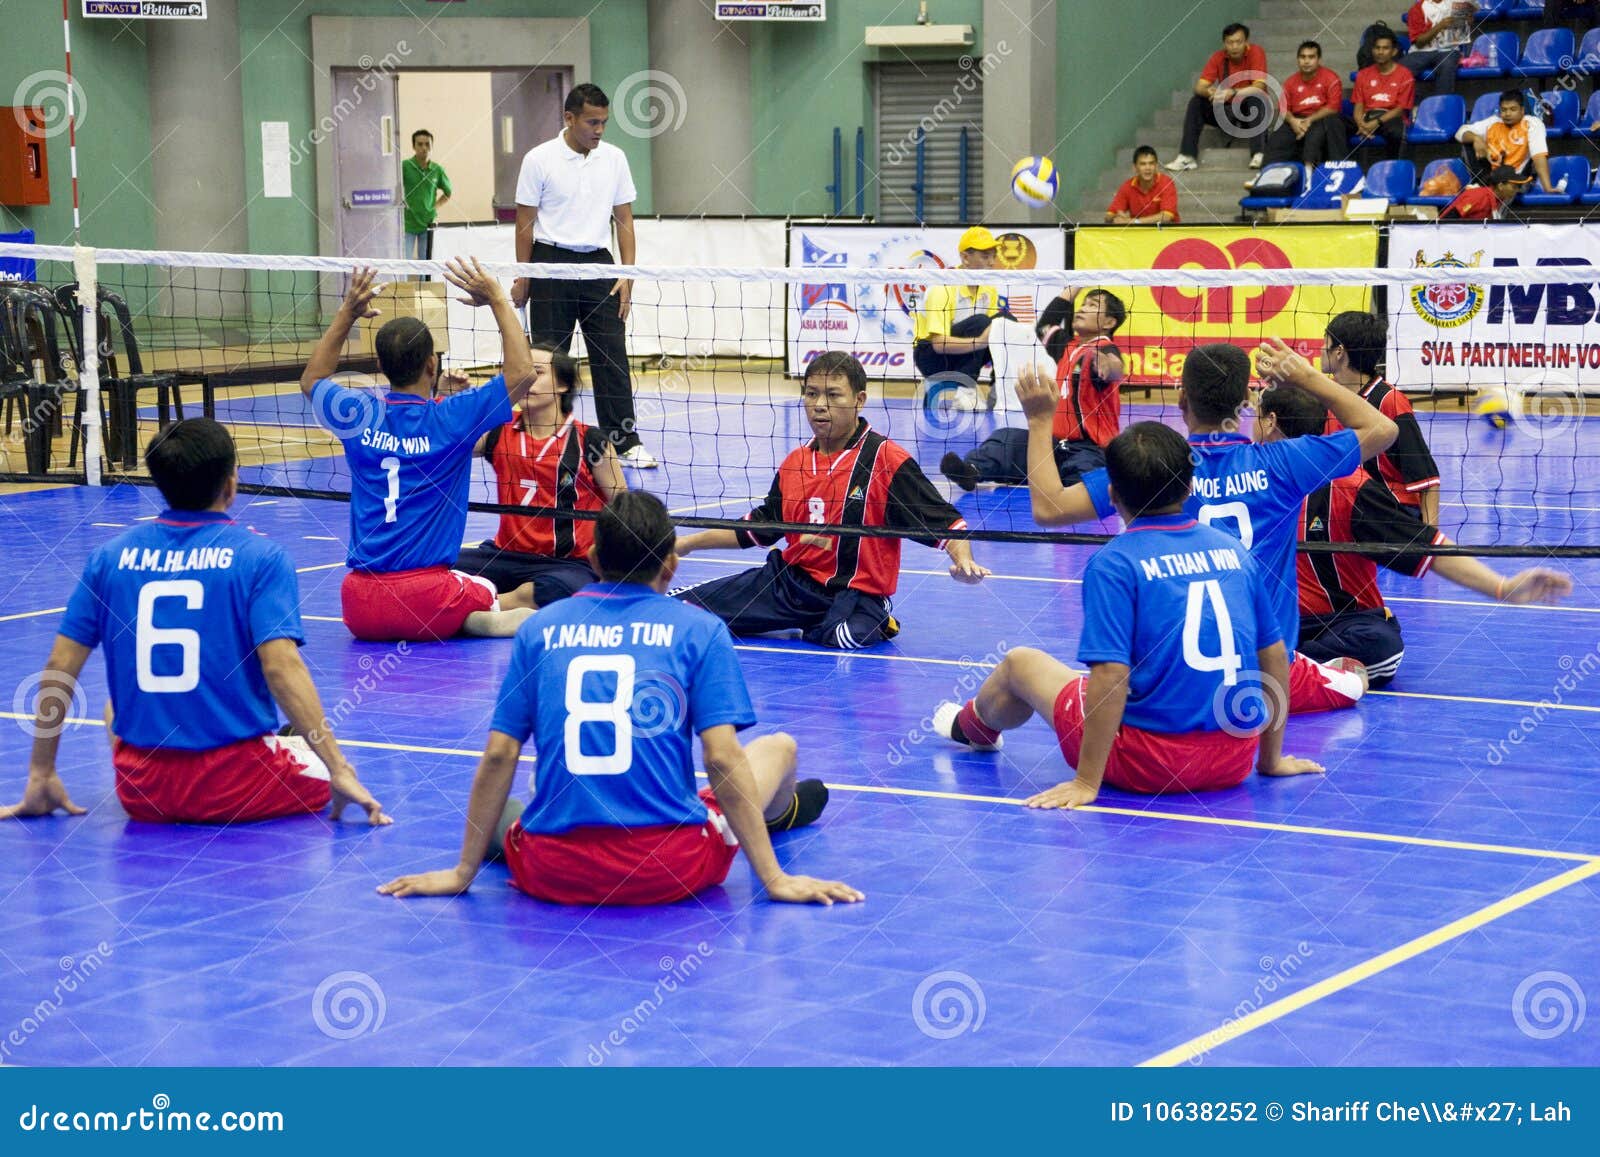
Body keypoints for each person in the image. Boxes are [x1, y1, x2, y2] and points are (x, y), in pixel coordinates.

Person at [378, 492, 864, 907]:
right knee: (779, 747)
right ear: (671, 564)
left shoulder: (540, 629)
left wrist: (462, 871)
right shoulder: (699, 629)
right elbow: (720, 758)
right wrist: (774, 879)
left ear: (591, 560)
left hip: (551, 871)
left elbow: (501, 753)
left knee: (525, 806)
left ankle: (521, 832)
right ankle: (777, 814)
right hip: (669, 870)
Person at [2, 419, 389, 826]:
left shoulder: (108, 558)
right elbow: (280, 667)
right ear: (231, 482)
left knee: (113, 709)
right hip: (237, 786)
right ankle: (294, 750)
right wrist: (339, 769)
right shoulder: (261, 557)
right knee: (309, 752)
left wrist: (41, 773)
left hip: (143, 791)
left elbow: (59, 667)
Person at [932, 421, 1322, 806]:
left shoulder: (1114, 563)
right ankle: (976, 725)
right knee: (1101, 679)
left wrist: (1086, 782)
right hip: (1233, 761)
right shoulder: (1235, 551)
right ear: (1189, 488)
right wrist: (1269, 759)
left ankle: (973, 727)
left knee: (1020, 664)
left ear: (1113, 493)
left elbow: (1111, 676)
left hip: (1148, 766)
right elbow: (1273, 655)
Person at [1011, 339, 1399, 716]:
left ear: (1182, 401)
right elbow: (1382, 429)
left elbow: (1049, 507)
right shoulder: (1283, 464)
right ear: (1246, 401)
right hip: (1264, 671)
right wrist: (1304, 376)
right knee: (1352, 679)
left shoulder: (1153, 466)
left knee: (1027, 671)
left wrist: (1040, 419)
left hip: (1177, 670)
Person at [1258, 384, 1572, 685]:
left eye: (1256, 414)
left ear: (1271, 422)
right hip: (1276, 623)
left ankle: (1278, 663)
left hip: (1342, 623)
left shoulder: (1347, 488)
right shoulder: (1247, 481)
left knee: (1382, 649)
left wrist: (1502, 588)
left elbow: (1427, 547)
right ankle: (1296, 666)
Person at [673, 352, 989, 649]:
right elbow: (755, 529)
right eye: (811, 394)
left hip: (854, 596)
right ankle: (801, 622)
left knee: (846, 637)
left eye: (833, 395)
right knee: (677, 609)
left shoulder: (886, 460)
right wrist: (685, 544)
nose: (819, 405)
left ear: (859, 400)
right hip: (788, 585)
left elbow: (948, 524)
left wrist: (962, 561)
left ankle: (868, 619)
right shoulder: (794, 462)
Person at [304, 260, 539, 643]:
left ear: (380, 365)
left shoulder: (358, 416)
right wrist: (498, 297)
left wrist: (348, 312)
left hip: (359, 606)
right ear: (432, 363)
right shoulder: (452, 417)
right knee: (492, 591)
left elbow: (313, 378)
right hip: (428, 598)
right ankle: (489, 617)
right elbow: (523, 373)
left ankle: (474, 619)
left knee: (462, 595)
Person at [511, 83, 656, 469]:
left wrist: (627, 275)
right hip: (549, 264)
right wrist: (523, 275)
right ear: (569, 118)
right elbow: (525, 222)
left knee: (612, 356)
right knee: (547, 360)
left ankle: (624, 442)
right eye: (592, 122)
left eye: (604, 122)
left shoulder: (615, 159)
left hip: (600, 267)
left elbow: (624, 219)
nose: (599, 130)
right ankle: (542, 436)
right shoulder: (538, 159)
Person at [454, 342, 627, 605]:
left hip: (567, 564)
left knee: (558, 590)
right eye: (520, 372)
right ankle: (500, 606)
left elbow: (623, 508)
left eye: (537, 372)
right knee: (437, 565)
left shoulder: (590, 441)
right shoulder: (498, 431)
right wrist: (451, 398)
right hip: (504, 556)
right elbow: (446, 445)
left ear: (562, 385)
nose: (526, 380)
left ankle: (479, 603)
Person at [940, 289, 1126, 491]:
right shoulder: (1068, 348)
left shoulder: (1102, 349)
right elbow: (1045, 325)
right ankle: (971, 471)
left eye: (1093, 305)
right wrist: (1073, 287)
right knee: (1005, 439)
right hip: (1056, 444)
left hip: (1091, 448)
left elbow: (1115, 366)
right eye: (1083, 303)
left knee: (1083, 472)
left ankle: (1072, 482)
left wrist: (1108, 367)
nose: (1082, 308)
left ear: (1109, 323)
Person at [1319, 311, 1442, 526]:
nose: (1320, 350)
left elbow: (1428, 480)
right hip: (1350, 507)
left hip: (1390, 512)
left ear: (1339, 352)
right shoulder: (1328, 397)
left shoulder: (1389, 401)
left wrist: (1430, 543)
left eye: (1324, 342)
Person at [912, 225, 1007, 412]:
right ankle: (966, 391)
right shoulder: (943, 288)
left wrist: (988, 338)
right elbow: (938, 344)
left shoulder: (989, 290)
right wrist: (980, 342)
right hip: (931, 356)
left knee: (1005, 321)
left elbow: (993, 333)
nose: (991, 262)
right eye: (985, 256)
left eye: (993, 256)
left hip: (965, 352)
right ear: (965, 258)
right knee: (981, 322)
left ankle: (1000, 391)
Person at [1166, 23, 1270, 172]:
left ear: (1246, 42)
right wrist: (1211, 93)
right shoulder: (1218, 57)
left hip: (1250, 112)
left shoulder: (1256, 52)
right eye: (1230, 42)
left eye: (1238, 42)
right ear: (1224, 44)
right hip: (1226, 112)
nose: (1234, 46)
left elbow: (1260, 86)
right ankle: (1187, 157)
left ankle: (1259, 154)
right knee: (1196, 102)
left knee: (1257, 97)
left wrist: (1232, 92)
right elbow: (1199, 87)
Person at [1261, 41, 1348, 168]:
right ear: (1298, 59)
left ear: (1319, 60)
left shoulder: (1331, 78)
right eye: (1303, 57)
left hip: (1321, 117)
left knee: (1322, 127)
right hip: (1296, 118)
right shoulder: (1290, 82)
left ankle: (1310, 171)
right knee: (1277, 136)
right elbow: (1283, 109)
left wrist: (1309, 120)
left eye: (1311, 57)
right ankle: (1266, 173)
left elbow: (1333, 108)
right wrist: (1293, 122)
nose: (1306, 61)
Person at [1456, 90, 1556, 193]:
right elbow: (1460, 133)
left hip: (1516, 178)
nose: (1507, 114)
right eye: (1504, 110)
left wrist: (1547, 187)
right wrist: (1476, 138)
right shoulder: (1493, 122)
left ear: (1522, 110)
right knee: (1468, 142)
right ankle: (1482, 186)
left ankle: (1485, 192)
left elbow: (1539, 156)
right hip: (1492, 176)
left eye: (1513, 109)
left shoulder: (1533, 124)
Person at [1350, 29, 1415, 161]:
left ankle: (1392, 169)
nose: (1380, 52)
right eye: (1377, 48)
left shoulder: (1405, 75)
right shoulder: (1363, 74)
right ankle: (1338, 169)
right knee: (1334, 123)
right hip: (1366, 118)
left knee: (1396, 130)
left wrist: (1376, 122)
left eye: (1385, 48)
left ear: (1394, 51)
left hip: (1389, 118)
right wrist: (1360, 123)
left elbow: (1399, 110)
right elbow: (1358, 104)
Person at [401, 129, 452, 267]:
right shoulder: (405, 166)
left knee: (425, 264)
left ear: (432, 146)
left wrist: (434, 207)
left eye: (427, 144)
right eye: (420, 144)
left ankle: (424, 288)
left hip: (428, 224)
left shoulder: (437, 170)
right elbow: (394, 186)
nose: (424, 148)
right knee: (404, 263)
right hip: (407, 223)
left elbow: (448, 192)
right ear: (414, 146)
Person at [1402, 2, 1474, 97]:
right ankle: (1392, 105)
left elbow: (1464, 30)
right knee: (1400, 69)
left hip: (1448, 50)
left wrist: (1467, 21)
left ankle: (1442, 106)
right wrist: (1440, 26)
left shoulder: (1456, 4)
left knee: (1447, 64)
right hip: (1421, 52)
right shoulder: (1417, 9)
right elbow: (1419, 43)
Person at [1105, 147, 1180, 224]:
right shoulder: (1127, 186)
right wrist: (1117, 215)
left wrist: (1134, 221)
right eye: (1143, 164)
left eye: (1151, 163)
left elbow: (1166, 217)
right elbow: (1109, 215)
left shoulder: (1166, 183)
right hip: (1138, 233)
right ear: (1135, 168)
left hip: (1165, 232)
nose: (1148, 168)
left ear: (1156, 166)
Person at [1439, 164, 1532, 220]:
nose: (1517, 190)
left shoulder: (1498, 198)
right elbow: (1448, 219)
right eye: (1514, 186)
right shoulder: (1478, 197)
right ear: (1500, 186)